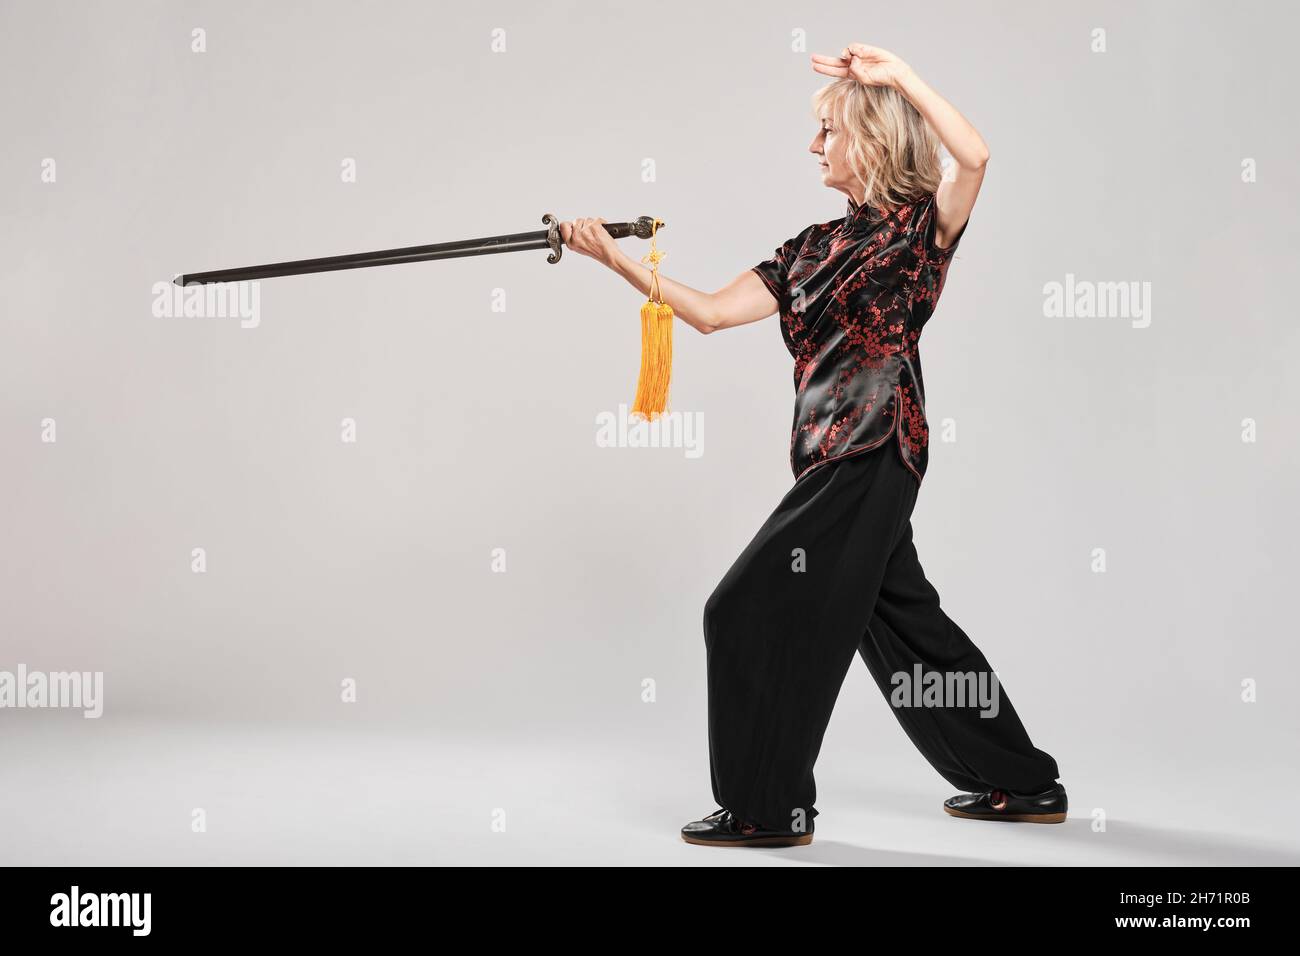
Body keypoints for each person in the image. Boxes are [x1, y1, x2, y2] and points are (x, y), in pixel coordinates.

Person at [561, 42, 1065, 848]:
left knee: (742, 611)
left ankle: (767, 808)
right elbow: (711, 313)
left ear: (868, 136)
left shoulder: (921, 231)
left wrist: (895, 74)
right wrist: (613, 260)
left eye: (826, 129)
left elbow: (975, 154)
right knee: (908, 632)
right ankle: (1022, 782)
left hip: (873, 452)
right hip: (831, 460)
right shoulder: (808, 249)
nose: (812, 145)